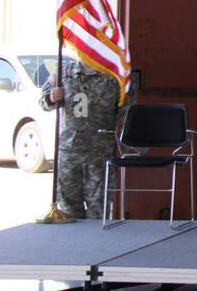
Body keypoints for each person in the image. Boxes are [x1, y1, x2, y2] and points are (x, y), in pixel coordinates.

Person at [39, 56, 132, 221]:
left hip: (100, 153)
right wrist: (52, 98)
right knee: (68, 208)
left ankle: (96, 245)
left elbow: (128, 113)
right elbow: (43, 101)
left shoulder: (114, 75)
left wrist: (125, 147)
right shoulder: (63, 72)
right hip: (69, 151)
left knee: (100, 208)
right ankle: (73, 246)